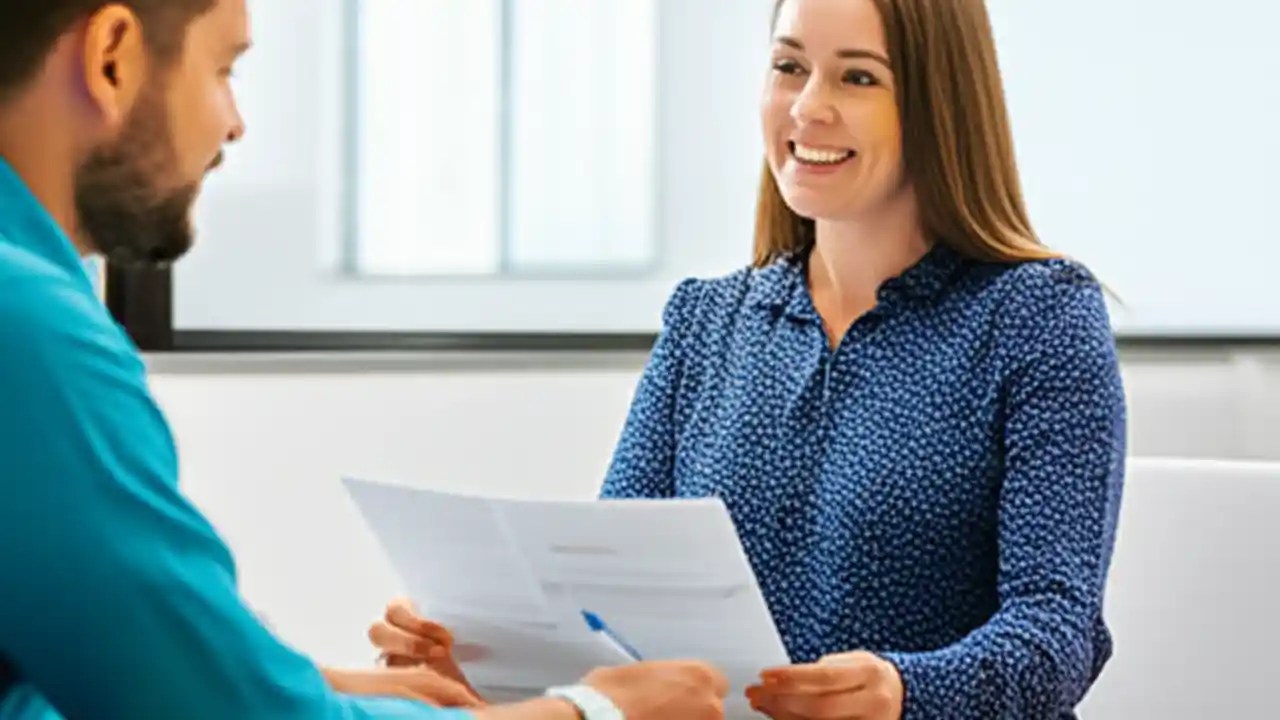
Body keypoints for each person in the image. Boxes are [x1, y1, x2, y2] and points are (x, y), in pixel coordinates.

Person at [368, 0, 1128, 718]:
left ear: (940, 104)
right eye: (789, 67)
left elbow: (1055, 634)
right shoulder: (706, 323)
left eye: (857, 77)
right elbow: (600, 608)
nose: (806, 108)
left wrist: (904, 693)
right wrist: (483, 659)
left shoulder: (1038, 317)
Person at [0, 1, 731, 718]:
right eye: (223, 69)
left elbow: (116, 662)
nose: (235, 122)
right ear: (112, 59)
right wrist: (592, 711)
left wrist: (324, 687)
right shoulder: (30, 330)